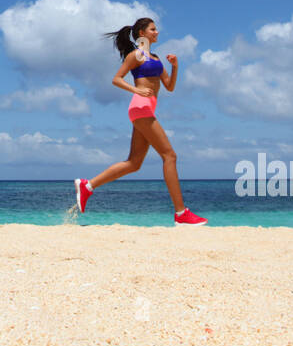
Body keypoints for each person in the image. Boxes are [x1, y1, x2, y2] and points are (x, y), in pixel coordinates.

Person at [74, 17, 207, 225]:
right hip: (141, 107)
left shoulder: (155, 58)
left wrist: (175, 66)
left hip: (144, 110)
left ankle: (87, 186)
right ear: (142, 34)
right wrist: (136, 89)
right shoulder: (136, 55)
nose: (157, 32)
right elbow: (116, 79)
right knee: (169, 155)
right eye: (153, 29)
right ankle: (181, 213)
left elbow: (169, 87)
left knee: (134, 163)